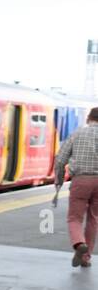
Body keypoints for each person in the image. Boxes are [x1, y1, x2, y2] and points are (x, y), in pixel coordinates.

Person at [55, 106, 98, 268]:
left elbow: (60, 160)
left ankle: (79, 244)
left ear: (88, 118)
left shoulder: (78, 133)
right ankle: (86, 258)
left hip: (81, 181)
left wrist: (59, 181)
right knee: (94, 219)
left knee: (75, 218)